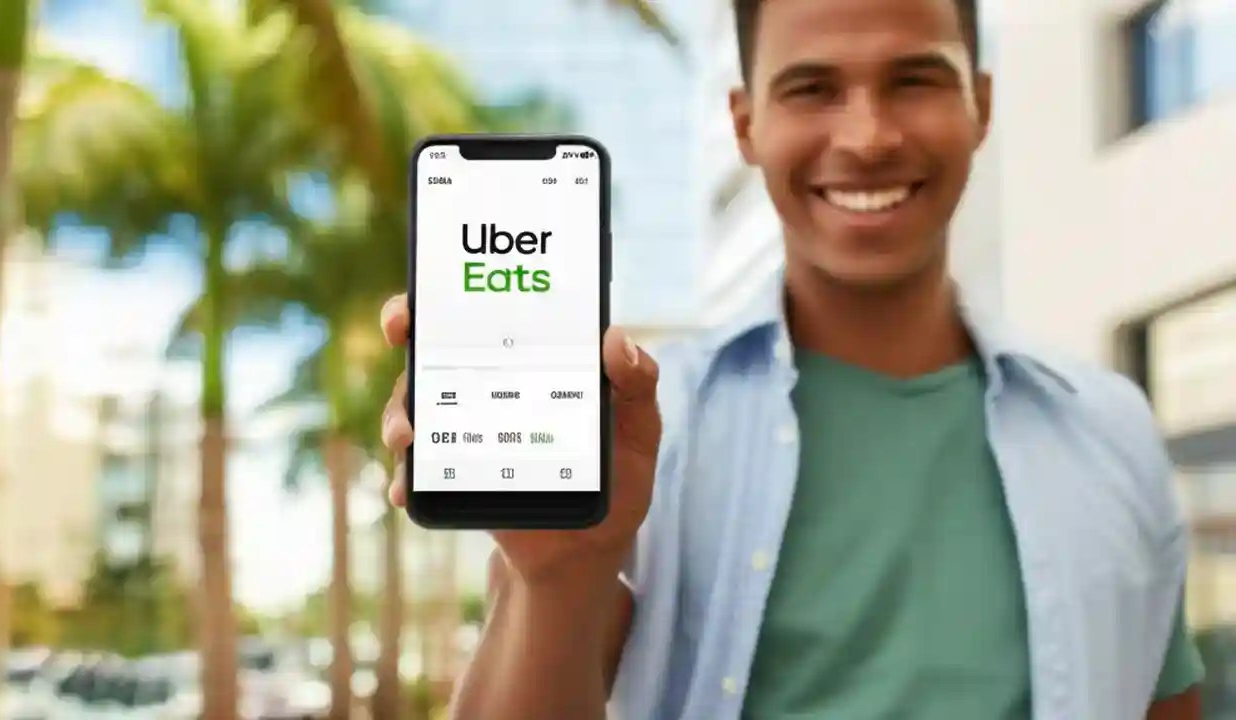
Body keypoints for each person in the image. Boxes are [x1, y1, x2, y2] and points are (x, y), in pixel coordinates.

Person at [379, 0, 1206, 717]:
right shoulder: (634, 433)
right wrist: (558, 572)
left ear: (980, 102)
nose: (869, 136)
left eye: (914, 79)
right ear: (745, 123)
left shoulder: (1113, 430)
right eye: (812, 88)